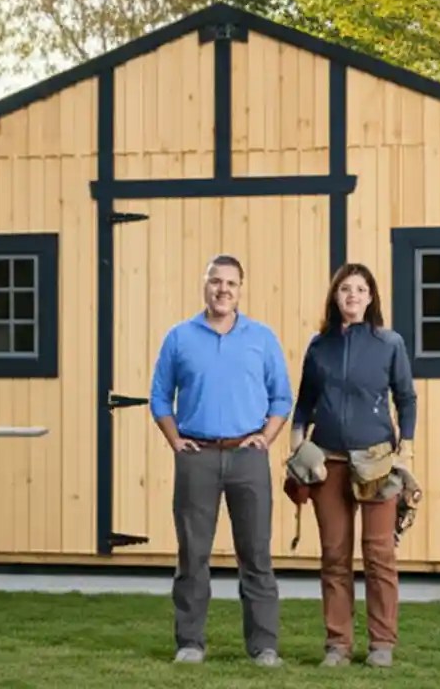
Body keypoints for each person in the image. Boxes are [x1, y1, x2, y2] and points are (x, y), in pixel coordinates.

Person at [148, 254, 293, 668]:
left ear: (240, 289)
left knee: (256, 555)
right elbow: (159, 396)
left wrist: (266, 437)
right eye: (215, 281)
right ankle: (190, 642)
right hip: (197, 457)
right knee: (192, 554)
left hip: (248, 459)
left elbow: (282, 397)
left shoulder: (261, 338)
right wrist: (175, 440)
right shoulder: (179, 337)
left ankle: (264, 646)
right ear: (205, 285)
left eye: (230, 283)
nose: (222, 289)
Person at [289, 262, 418, 668]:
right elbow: (304, 403)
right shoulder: (319, 346)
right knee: (334, 555)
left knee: (379, 554)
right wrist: (297, 449)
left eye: (361, 289)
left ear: (371, 297)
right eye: (346, 289)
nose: (353, 296)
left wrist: (406, 450)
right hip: (328, 462)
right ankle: (338, 645)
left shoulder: (389, 343)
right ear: (335, 296)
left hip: (377, 462)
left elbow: (407, 397)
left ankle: (382, 644)